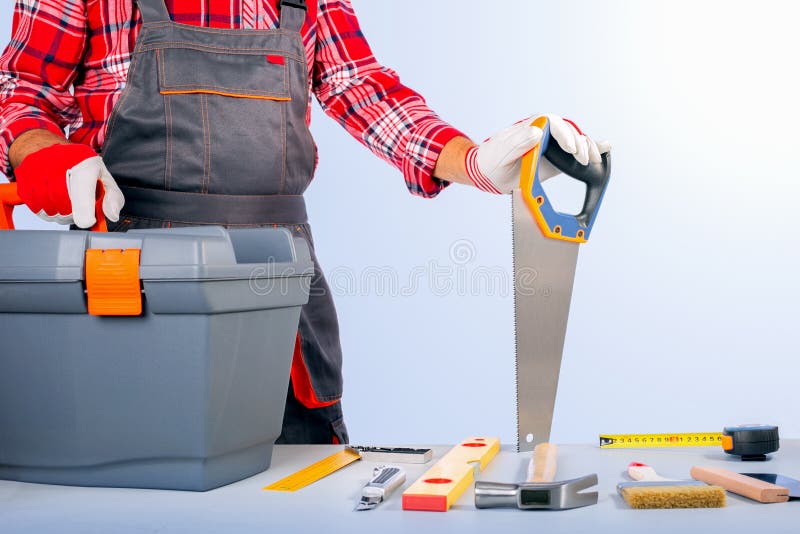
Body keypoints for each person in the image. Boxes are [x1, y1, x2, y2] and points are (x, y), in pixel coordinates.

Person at [0, 0, 610, 444]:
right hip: (128, 283)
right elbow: (21, 86)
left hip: (277, 288)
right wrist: (42, 155)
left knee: (298, 487)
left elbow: (361, 86)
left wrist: (472, 162)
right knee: (125, 477)